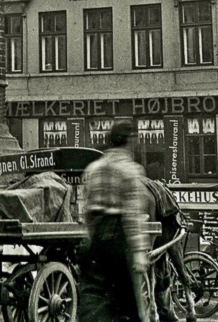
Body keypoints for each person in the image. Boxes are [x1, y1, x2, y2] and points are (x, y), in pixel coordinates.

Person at [79, 120, 150, 322]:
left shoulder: (93, 169)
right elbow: (133, 215)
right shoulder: (130, 170)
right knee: (130, 304)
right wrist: (138, 252)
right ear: (131, 140)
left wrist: (94, 236)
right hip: (120, 240)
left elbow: (86, 210)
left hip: (97, 238)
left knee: (95, 299)